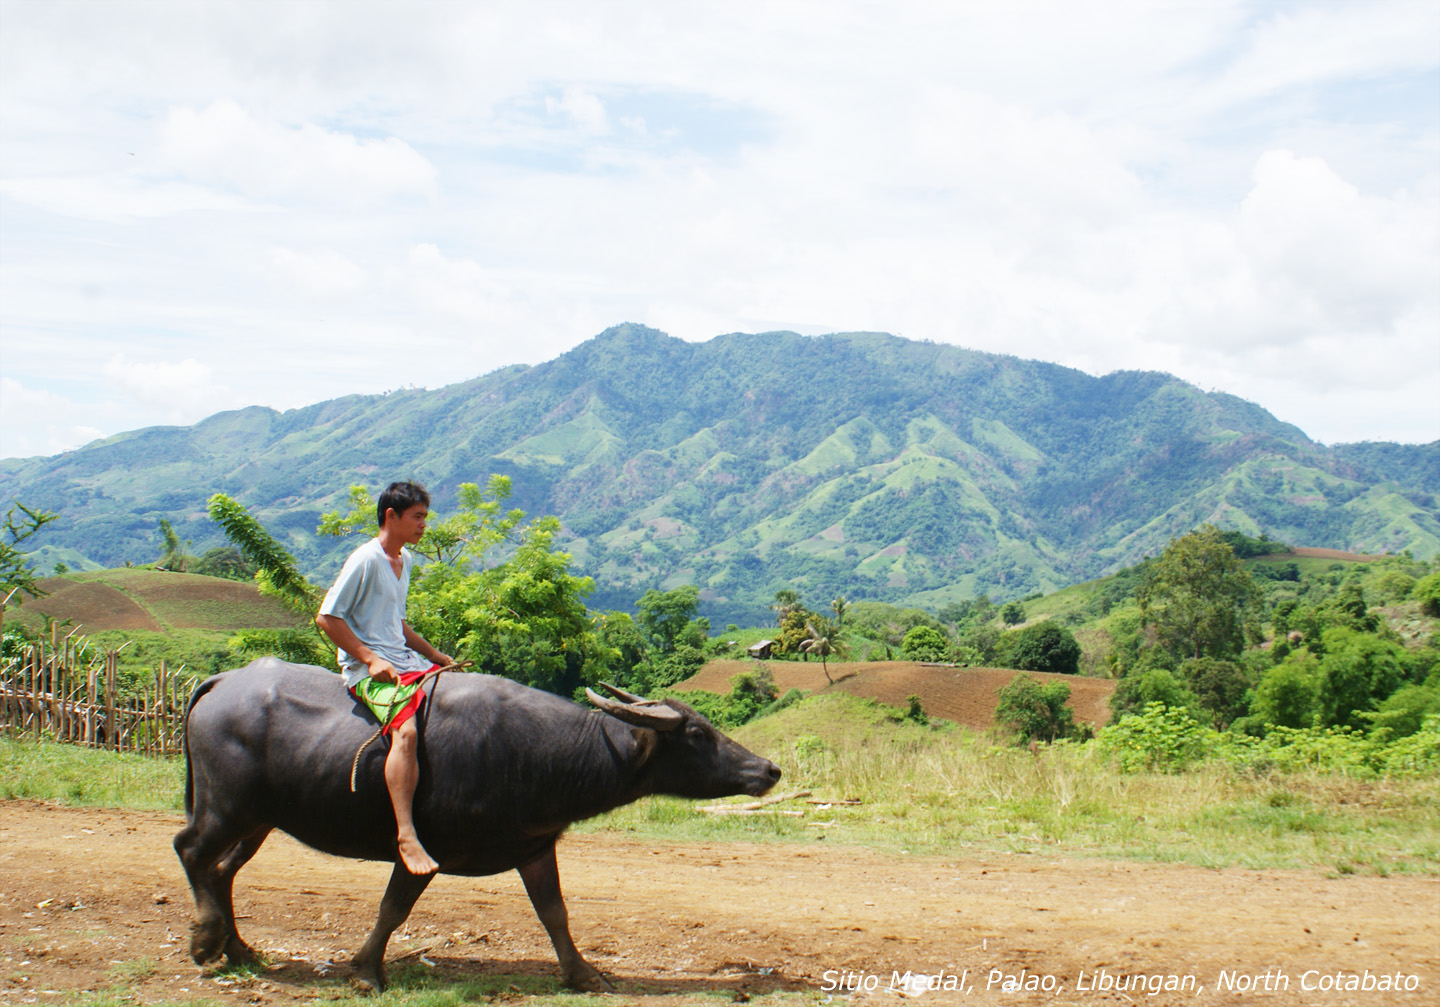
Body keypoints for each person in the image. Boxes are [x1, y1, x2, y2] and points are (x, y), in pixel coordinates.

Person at [315, 480, 452, 875]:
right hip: (366, 670)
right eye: (417, 517)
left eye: (425, 517)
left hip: (405, 660)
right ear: (391, 516)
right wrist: (369, 658)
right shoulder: (365, 560)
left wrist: (435, 655)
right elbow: (327, 617)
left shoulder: (404, 560)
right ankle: (406, 833)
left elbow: (399, 624)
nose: (424, 525)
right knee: (406, 732)